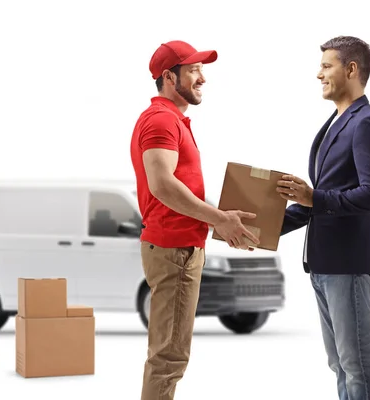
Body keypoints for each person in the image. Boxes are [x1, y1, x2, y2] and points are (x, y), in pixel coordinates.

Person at [129, 40, 260, 400]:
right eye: (194, 70)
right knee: (168, 358)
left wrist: (226, 220)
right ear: (170, 77)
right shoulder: (160, 120)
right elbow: (162, 185)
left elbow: (182, 190)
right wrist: (219, 218)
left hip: (180, 246)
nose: (202, 78)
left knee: (170, 355)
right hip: (173, 249)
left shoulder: (173, 121)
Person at [276, 36, 370, 400]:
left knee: (357, 365)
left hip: (349, 264)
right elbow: (322, 199)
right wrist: (262, 229)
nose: (319, 74)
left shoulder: (367, 124)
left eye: (327, 66)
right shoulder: (337, 122)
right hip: (325, 265)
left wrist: (314, 196)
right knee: (341, 365)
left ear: (351, 69)